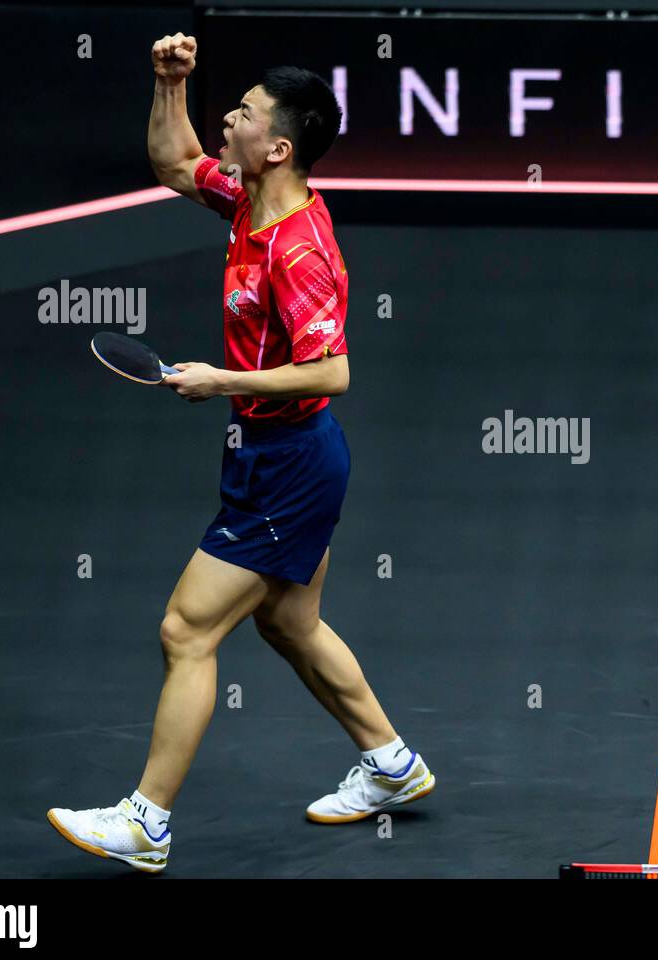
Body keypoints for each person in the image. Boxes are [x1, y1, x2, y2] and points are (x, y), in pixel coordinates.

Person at [47, 33, 433, 873]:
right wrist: (168, 82)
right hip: (276, 451)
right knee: (291, 622)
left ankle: (145, 822)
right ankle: (394, 766)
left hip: (289, 463)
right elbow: (174, 161)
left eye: (245, 113)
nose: (229, 118)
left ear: (280, 145)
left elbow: (334, 368)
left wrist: (224, 379)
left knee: (186, 630)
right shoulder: (250, 198)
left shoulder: (296, 248)